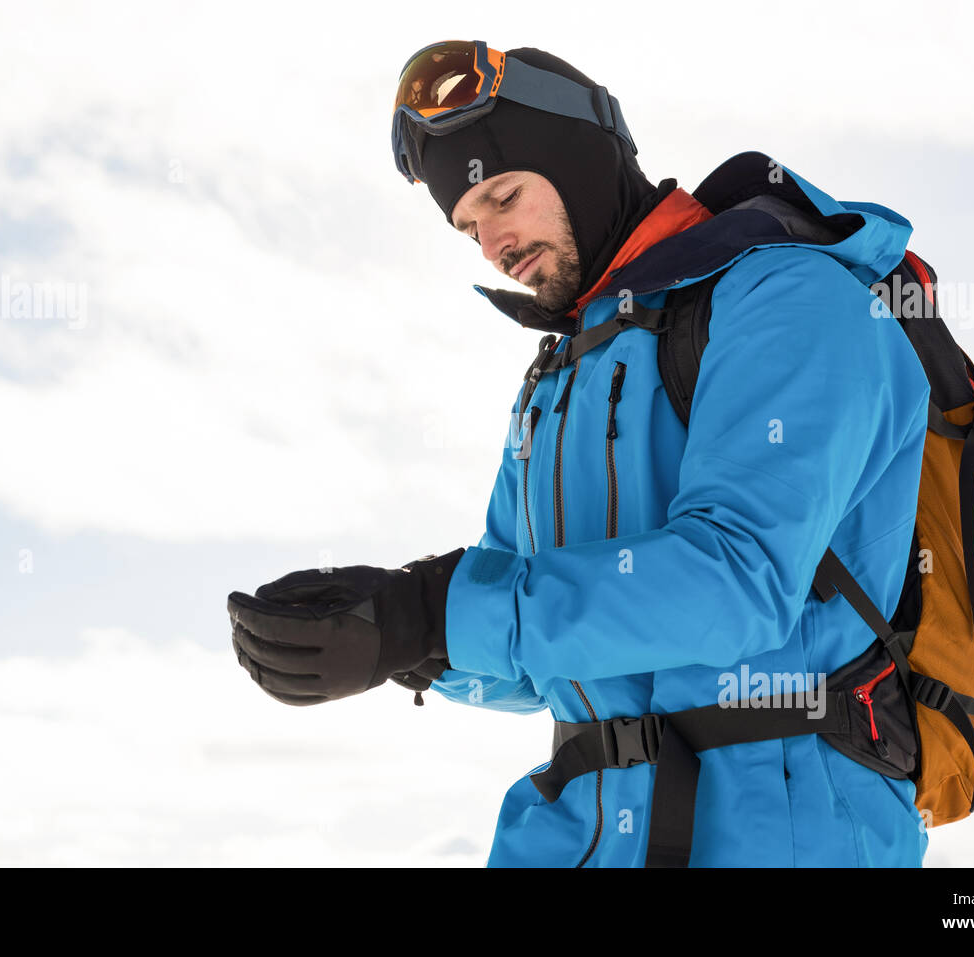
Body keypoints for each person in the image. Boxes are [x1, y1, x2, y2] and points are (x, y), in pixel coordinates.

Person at [228, 41, 932, 867]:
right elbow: (529, 655)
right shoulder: (559, 378)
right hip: (572, 837)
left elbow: (737, 580)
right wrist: (397, 634)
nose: (493, 243)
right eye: (468, 227)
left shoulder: (787, 298)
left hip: (778, 828)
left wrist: (433, 611)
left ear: (582, 160)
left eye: (504, 196)